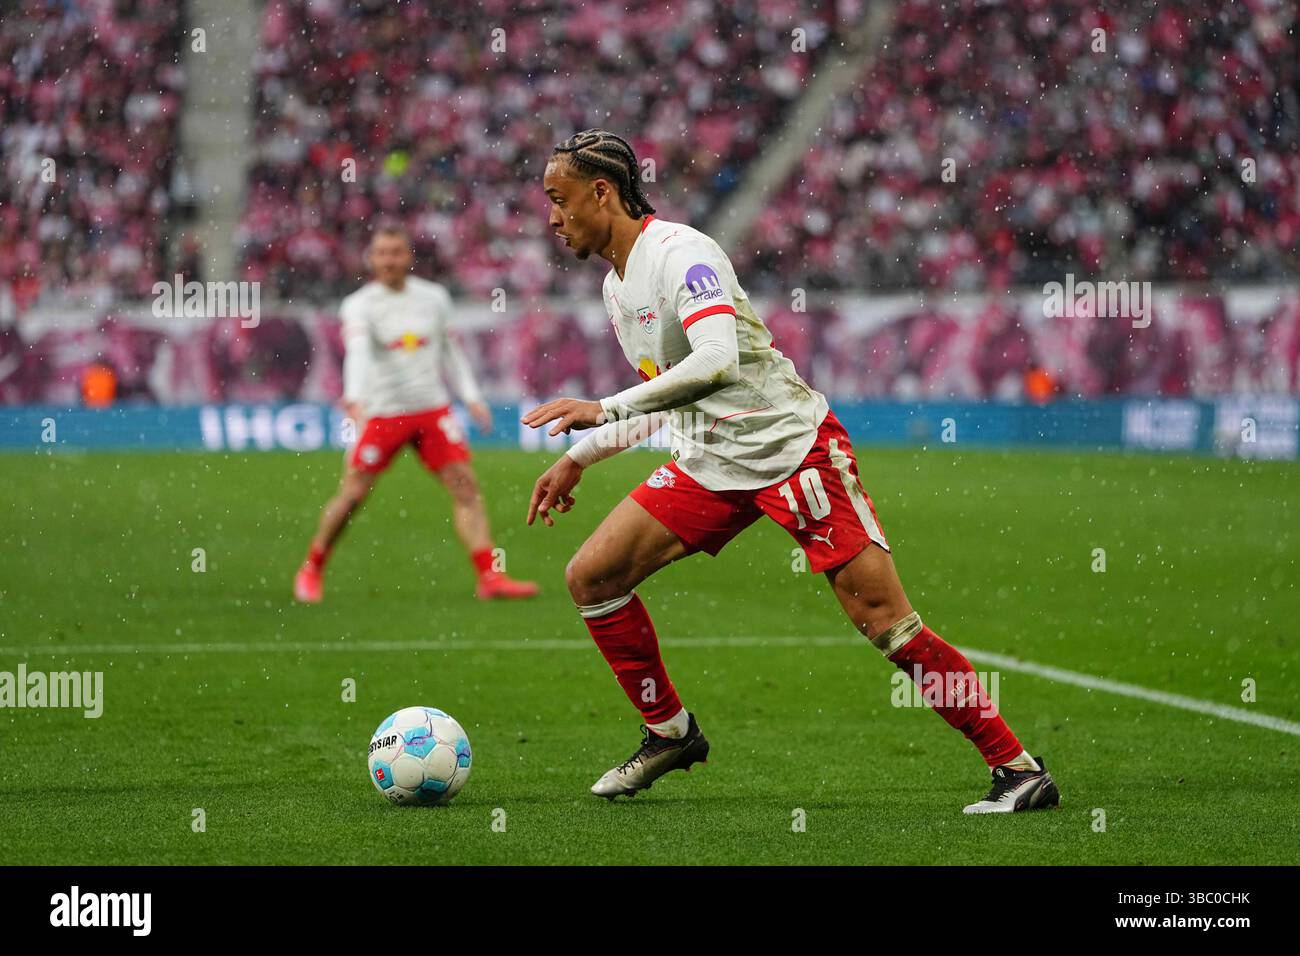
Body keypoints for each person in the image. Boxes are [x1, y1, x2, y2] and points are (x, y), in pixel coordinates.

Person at [522, 130, 1058, 813]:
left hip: (793, 452)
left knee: (888, 625)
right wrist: (579, 455)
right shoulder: (615, 287)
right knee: (592, 577)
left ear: (602, 192)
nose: (551, 218)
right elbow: (672, 392)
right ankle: (669, 733)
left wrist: (600, 410)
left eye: (559, 200)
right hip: (712, 462)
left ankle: (1017, 768)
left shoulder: (682, 255)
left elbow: (714, 359)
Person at [294, 225, 538, 603]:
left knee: (466, 488)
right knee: (353, 494)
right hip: (381, 413)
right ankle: (312, 567)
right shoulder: (359, 305)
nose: (389, 260)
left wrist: (471, 396)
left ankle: (490, 577)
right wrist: (354, 396)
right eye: (382, 253)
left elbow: (449, 351)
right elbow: (357, 352)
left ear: (408, 257)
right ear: (371, 259)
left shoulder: (433, 298)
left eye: (396, 252)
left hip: (432, 409)